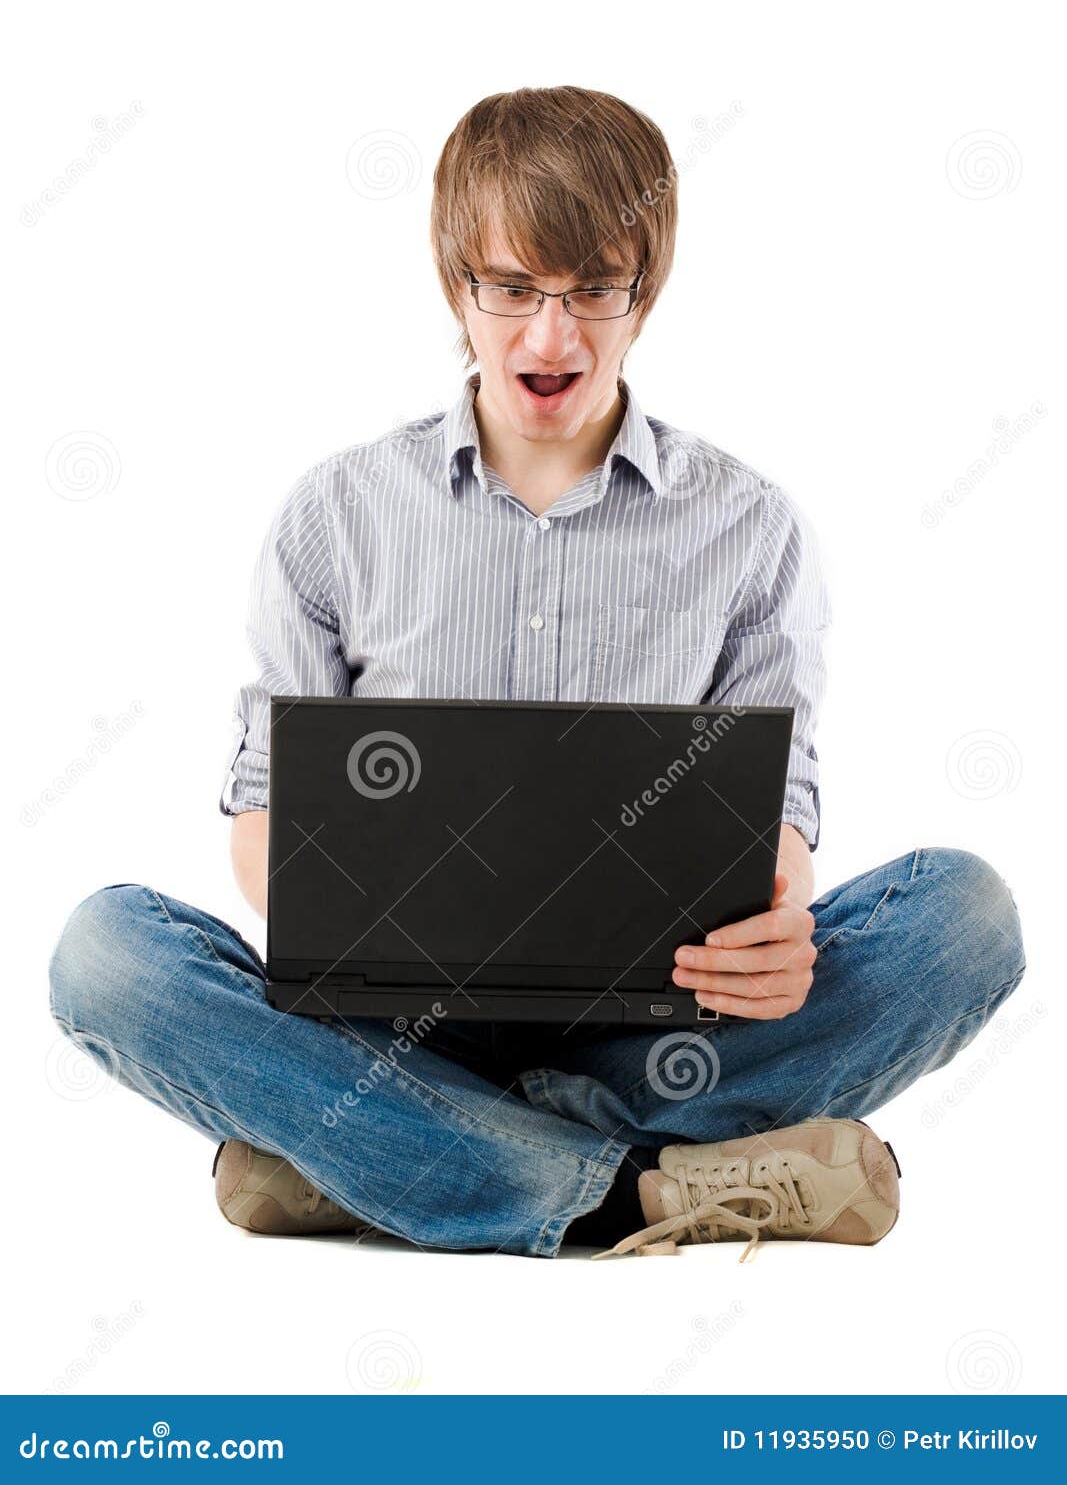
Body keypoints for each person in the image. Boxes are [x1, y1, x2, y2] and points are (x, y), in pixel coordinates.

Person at [48, 87, 1025, 1259]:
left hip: (661, 1030)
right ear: (455, 284)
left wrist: (778, 920)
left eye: (591, 290)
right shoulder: (336, 514)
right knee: (106, 955)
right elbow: (264, 812)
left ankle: (373, 1161)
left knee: (964, 918)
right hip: (397, 1033)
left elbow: (778, 811)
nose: (548, 339)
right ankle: (630, 1192)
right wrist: (344, 922)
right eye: (509, 289)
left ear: (642, 293)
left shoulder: (750, 526)